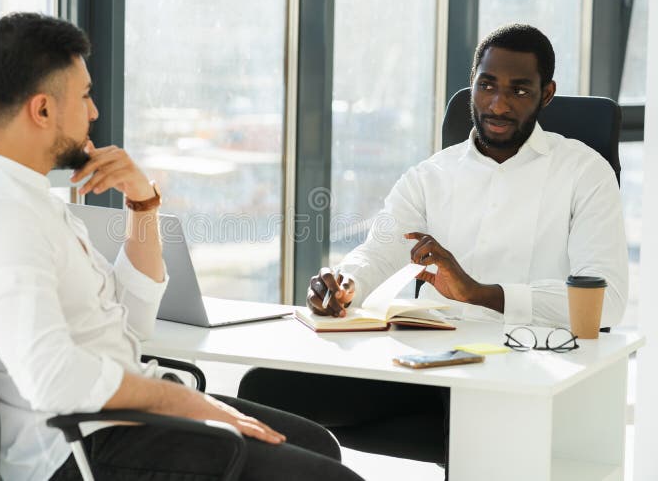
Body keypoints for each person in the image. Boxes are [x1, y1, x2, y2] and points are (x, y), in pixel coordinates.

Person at [0, 12, 363, 481]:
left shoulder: (27, 196)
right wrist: (186, 400)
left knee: (317, 444)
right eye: (84, 96)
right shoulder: (2, 220)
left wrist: (143, 205)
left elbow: (131, 324)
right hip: (79, 448)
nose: (94, 112)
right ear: (42, 110)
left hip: (112, 419)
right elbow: (54, 380)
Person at [238, 23, 628, 464]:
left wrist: (480, 293)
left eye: (519, 91)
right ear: (473, 85)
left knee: (483, 432)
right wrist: (345, 284)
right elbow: (379, 250)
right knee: (266, 390)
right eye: (487, 86)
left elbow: (607, 302)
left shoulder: (583, 173)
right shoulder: (431, 175)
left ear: (546, 94)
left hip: (525, 376)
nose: (498, 104)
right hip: (430, 367)